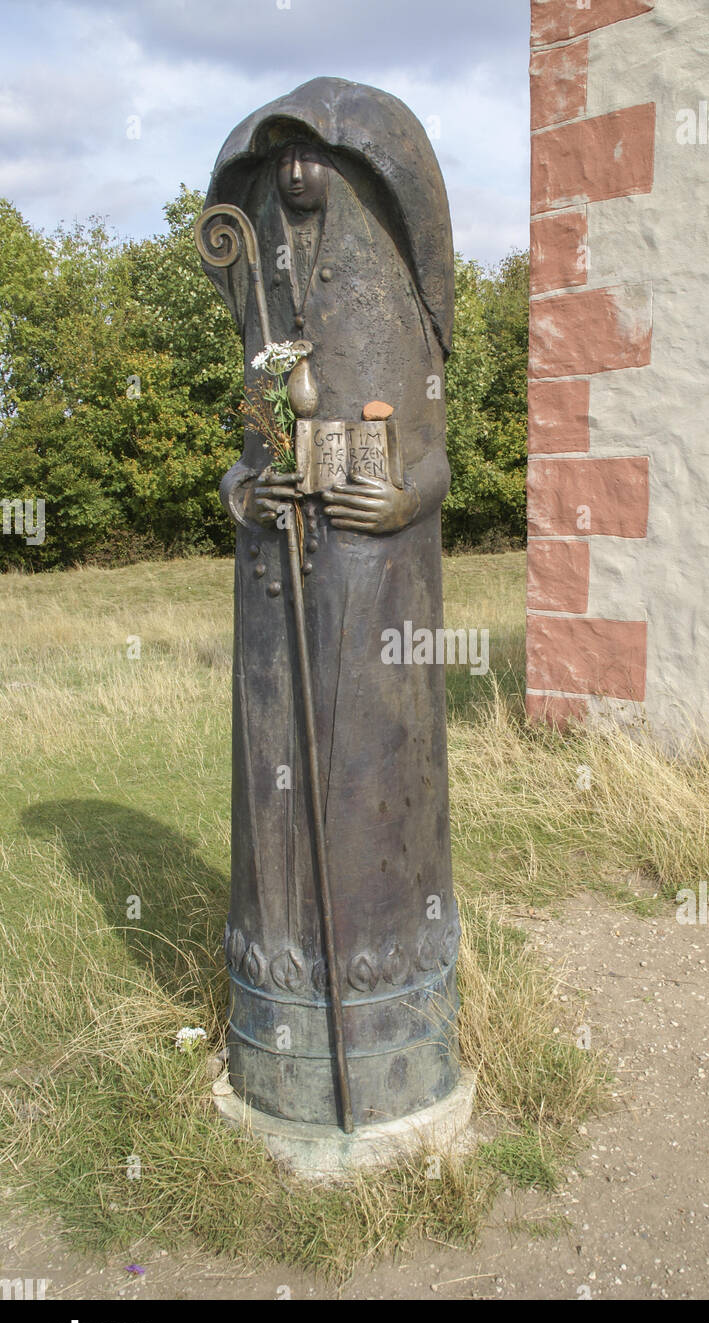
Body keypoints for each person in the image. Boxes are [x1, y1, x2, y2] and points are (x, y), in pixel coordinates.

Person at [200, 78, 461, 1128]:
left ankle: (396, 1027)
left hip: (377, 594)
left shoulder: (392, 300)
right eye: (278, 161)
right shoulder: (265, 307)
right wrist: (241, 487)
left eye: (318, 157)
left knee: (371, 791)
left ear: (368, 182)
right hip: (276, 591)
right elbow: (247, 453)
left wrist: (400, 496)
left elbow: (436, 460)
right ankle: (279, 1031)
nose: (297, 175)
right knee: (277, 798)